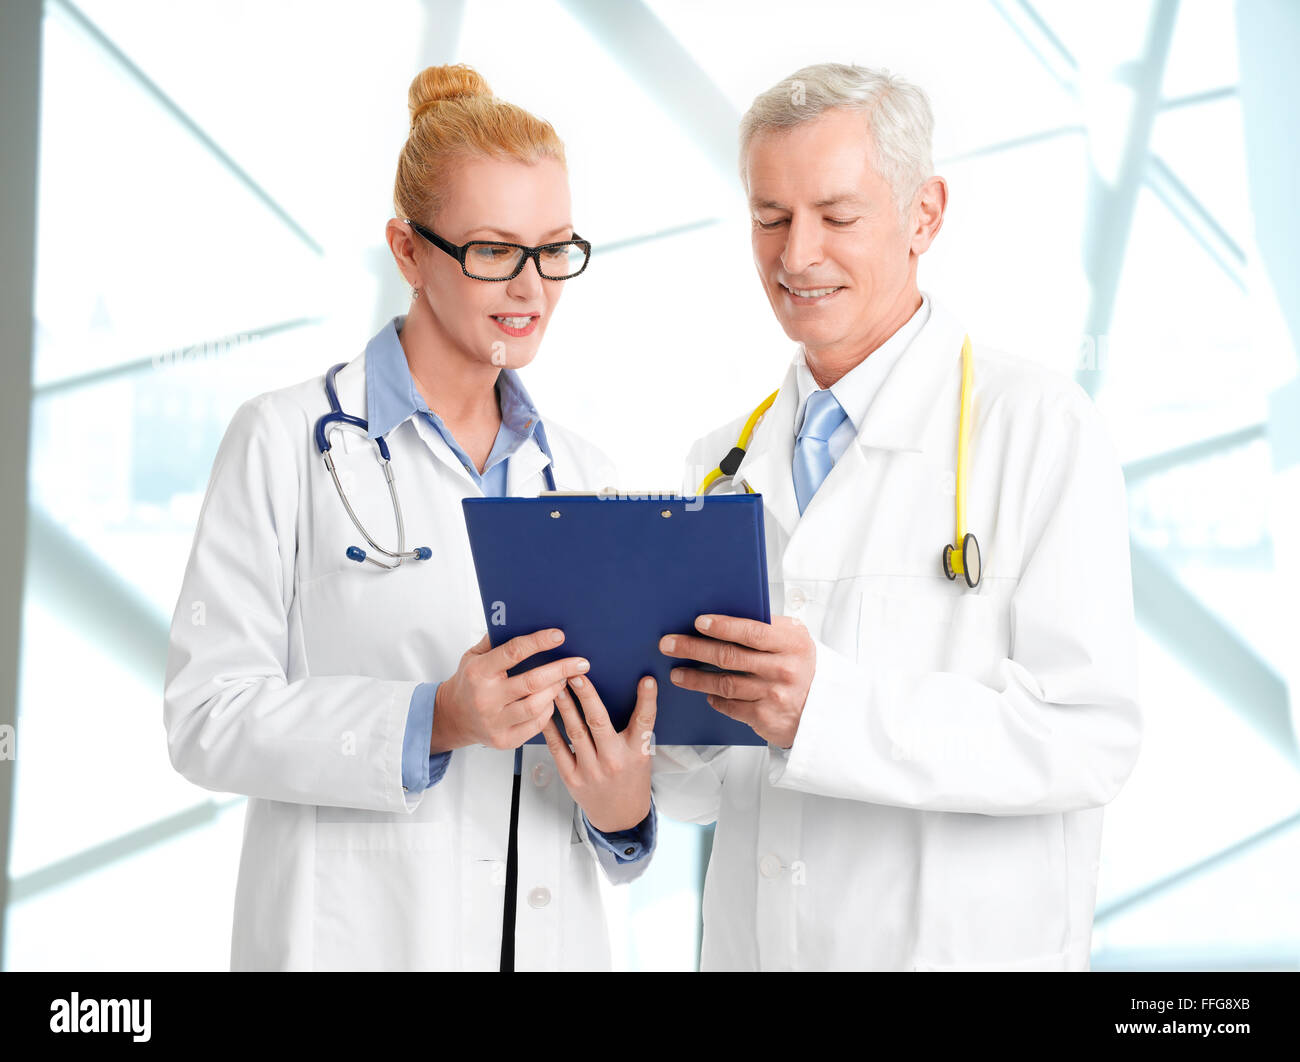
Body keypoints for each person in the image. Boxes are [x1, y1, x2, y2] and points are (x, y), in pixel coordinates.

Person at [163, 63, 658, 972]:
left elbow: (607, 788)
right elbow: (206, 716)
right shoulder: (286, 442)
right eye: (493, 250)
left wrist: (625, 809)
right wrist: (434, 720)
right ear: (408, 251)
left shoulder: (587, 475)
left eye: (554, 249)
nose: (531, 287)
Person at [653, 62, 1141, 971]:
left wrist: (826, 711)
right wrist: (647, 734)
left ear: (924, 215)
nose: (797, 256)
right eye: (770, 218)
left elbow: (1088, 738)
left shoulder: (1036, 427)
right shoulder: (720, 464)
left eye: (837, 217)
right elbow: (708, 791)